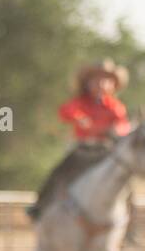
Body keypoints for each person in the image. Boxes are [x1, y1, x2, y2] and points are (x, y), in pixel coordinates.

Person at [26, 60, 131, 220]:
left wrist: (116, 130)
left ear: (113, 84)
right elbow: (66, 111)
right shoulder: (81, 102)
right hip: (83, 149)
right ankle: (40, 206)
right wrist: (78, 118)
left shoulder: (115, 106)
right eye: (96, 80)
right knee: (60, 173)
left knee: (125, 183)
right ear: (87, 83)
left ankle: (129, 223)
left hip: (106, 151)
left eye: (106, 80)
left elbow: (123, 125)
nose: (101, 84)